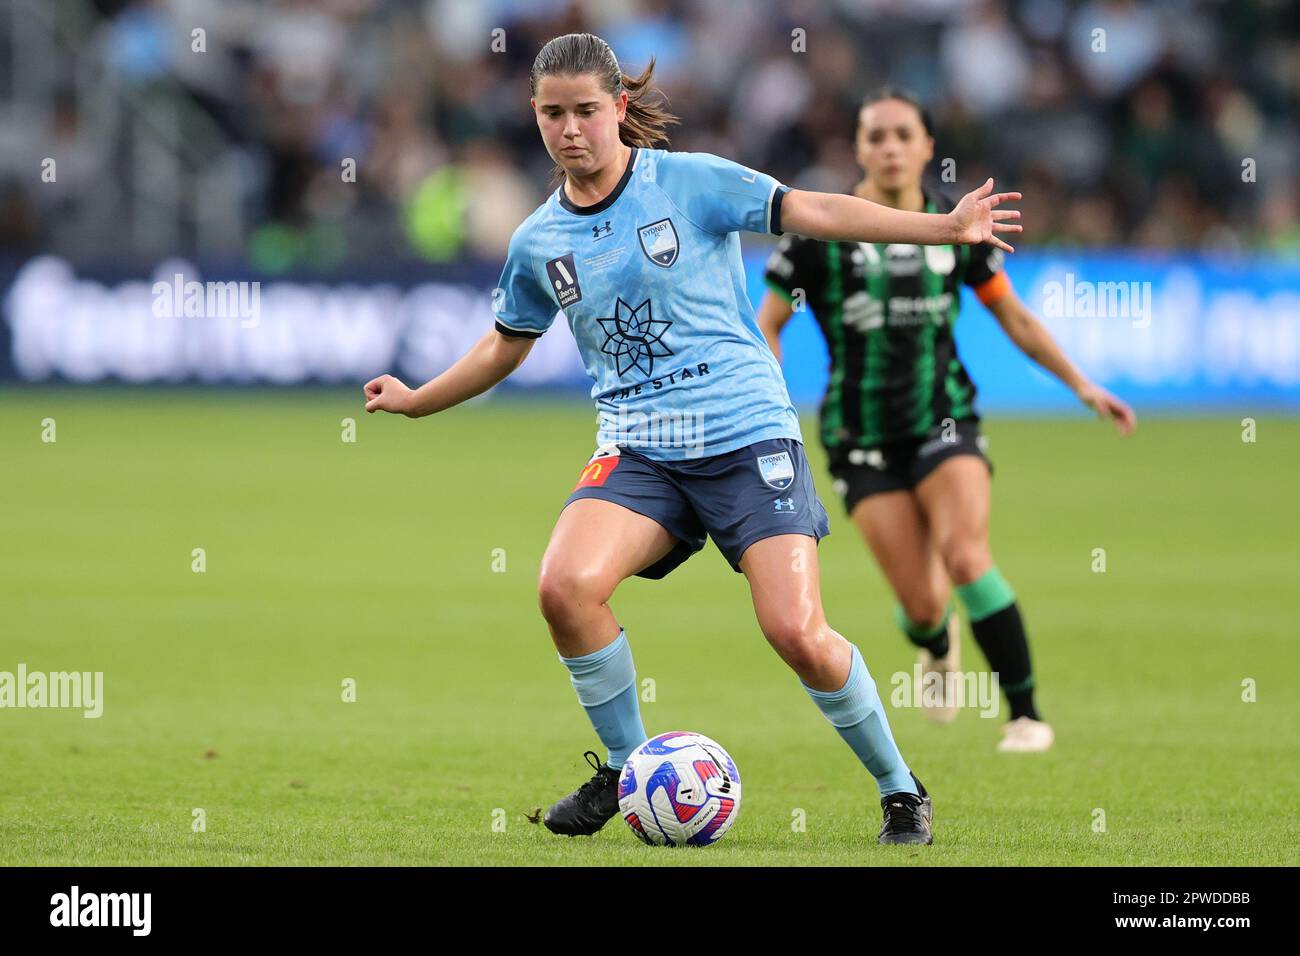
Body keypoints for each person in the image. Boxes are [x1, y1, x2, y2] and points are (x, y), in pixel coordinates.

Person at [363, 37, 1021, 845]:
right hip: (641, 448)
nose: (570, 130)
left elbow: (815, 210)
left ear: (620, 110)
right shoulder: (538, 240)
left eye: (586, 112)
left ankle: (900, 790)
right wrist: (421, 400)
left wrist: (944, 228)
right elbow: (507, 341)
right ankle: (626, 765)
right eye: (552, 113)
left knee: (796, 633)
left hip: (747, 435)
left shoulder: (689, 182)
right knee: (564, 587)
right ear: (535, 116)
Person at [758, 88, 1134, 752]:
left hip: (944, 418)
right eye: (876, 136)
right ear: (858, 148)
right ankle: (936, 643)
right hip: (859, 435)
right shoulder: (820, 236)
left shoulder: (956, 227)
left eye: (905, 134)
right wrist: (767, 397)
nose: (891, 147)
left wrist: (1081, 385)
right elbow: (770, 323)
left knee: (965, 556)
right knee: (924, 607)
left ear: (928, 146)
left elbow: (1011, 314)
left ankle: (1025, 715)